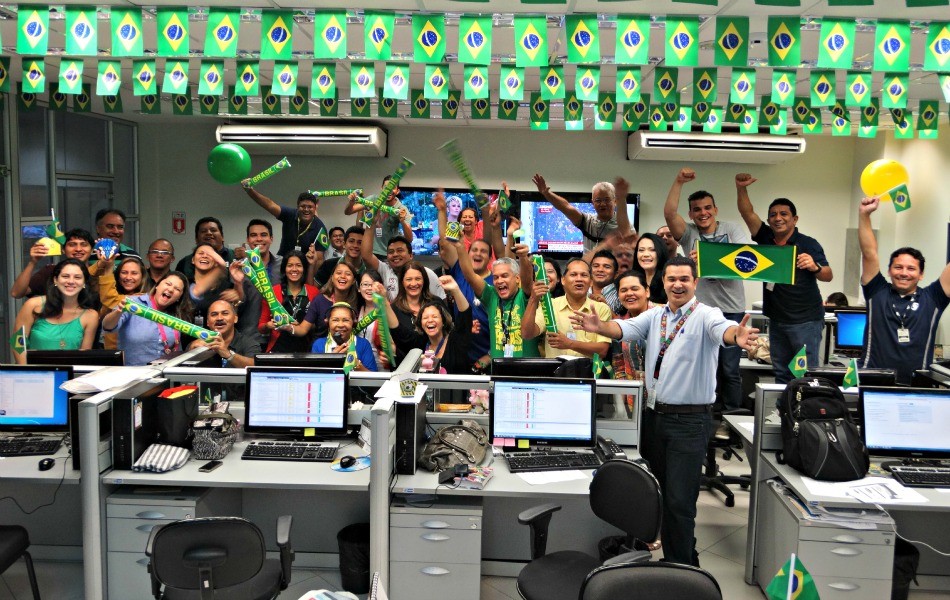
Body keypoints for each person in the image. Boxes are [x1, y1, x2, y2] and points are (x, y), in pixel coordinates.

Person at [570, 256, 759, 566]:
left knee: (679, 503)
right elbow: (625, 327)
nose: (677, 284)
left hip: (690, 421)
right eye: (672, 279)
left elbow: (723, 329)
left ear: (695, 282)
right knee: (657, 494)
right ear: (664, 282)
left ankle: (681, 569)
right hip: (655, 417)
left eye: (684, 279)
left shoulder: (706, 314)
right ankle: (682, 556)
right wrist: (600, 326)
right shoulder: (656, 316)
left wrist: (735, 336)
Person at [664, 167, 750, 418]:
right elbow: (669, 213)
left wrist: (707, 259)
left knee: (729, 369)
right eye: (697, 209)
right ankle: (705, 417)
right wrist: (678, 181)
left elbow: (742, 262)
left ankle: (732, 419)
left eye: (707, 208)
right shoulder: (689, 233)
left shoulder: (732, 229)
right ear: (691, 214)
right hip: (699, 311)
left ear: (715, 209)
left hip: (732, 309)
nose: (703, 213)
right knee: (701, 366)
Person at [736, 173, 832, 383]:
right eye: (773, 215)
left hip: (805, 321)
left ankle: (803, 404)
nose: (778, 218)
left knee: (804, 374)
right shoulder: (765, 237)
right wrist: (741, 187)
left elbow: (828, 275)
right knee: (780, 372)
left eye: (783, 214)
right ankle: (784, 404)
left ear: (794, 219)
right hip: (778, 320)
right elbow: (747, 212)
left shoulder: (808, 243)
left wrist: (814, 266)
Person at [858, 196, 950, 384]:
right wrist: (864, 215)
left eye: (911, 268)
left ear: (921, 274)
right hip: (873, 379)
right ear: (889, 271)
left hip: (918, 384)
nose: (904, 273)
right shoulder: (876, 292)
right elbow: (869, 253)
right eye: (898, 267)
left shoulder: (933, 298)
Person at [522, 257, 611, 359]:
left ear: (591, 282)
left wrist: (569, 344)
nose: (579, 279)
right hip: (556, 369)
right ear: (563, 280)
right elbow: (527, 334)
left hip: (587, 369)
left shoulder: (601, 308)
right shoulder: (550, 305)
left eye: (584, 275)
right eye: (573, 274)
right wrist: (533, 299)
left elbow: (603, 351)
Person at [12, 259, 99, 364]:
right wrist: (26, 370)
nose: (71, 281)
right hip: (33, 371)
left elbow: (84, 357)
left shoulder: (91, 316)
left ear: (84, 282)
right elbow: (17, 343)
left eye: (77, 277)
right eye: (65, 276)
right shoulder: (33, 305)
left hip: (69, 373)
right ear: (55, 280)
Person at [101, 271, 194, 366]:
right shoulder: (133, 303)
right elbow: (107, 327)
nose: (170, 289)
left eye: (177, 289)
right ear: (157, 285)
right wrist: (118, 312)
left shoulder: (177, 314)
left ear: (179, 297)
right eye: (168, 284)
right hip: (133, 372)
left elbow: (176, 348)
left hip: (164, 372)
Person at [388, 276, 473, 375]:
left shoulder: (455, 340)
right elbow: (399, 332)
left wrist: (455, 290)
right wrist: (385, 303)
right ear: (421, 324)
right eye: (425, 318)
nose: (430, 320)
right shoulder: (420, 343)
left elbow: (465, 317)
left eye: (434, 316)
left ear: (443, 321)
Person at [532, 174, 634, 253]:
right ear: (592, 203)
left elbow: (630, 245)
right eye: (598, 200)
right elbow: (565, 207)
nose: (602, 204)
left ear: (615, 201)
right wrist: (547, 193)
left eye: (607, 200)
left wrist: (622, 198)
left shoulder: (624, 225)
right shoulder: (587, 221)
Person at [242, 186, 327, 268]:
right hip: (280, 265)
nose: (306, 209)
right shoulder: (290, 214)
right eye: (303, 206)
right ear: (297, 207)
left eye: (310, 207)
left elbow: (319, 260)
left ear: (315, 208)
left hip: (302, 269)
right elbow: (270, 205)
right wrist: (249, 190)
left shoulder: (320, 229)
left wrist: (313, 277)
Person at [258, 250, 318, 353]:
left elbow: (319, 325)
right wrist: (268, 325)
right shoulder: (273, 292)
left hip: (307, 350)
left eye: (298, 265)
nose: (294, 269)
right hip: (278, 350)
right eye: (290, 265)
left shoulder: (313, 292)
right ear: (284, 269)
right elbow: (261, 327)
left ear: (304, 269)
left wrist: (303, 325)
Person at [12, 228, 97, 299]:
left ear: (92, 250)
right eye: (72, 245)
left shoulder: (99, 271)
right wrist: (32, 262)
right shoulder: (51, 271)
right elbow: (16, 293)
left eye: (84, 245)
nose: (78, 249)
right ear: (63, 250)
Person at [360, 232, 443, 302]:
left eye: (400, 250)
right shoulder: (385, 270)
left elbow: (441, 300)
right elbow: (366, 256)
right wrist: (371, 223)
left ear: (411, 255)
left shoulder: (427, 273)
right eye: (391, 252)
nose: (395, 254)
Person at [345, 175, 414, 260]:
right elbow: (348, 212)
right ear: (382, 188)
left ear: (397, 191)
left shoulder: (401, 209)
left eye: (392, 188)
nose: (389, 190)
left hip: (388, 254)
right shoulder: (374, 199)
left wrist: (402, 221)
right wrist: (351, 202)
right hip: (370, 251)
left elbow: (409, 239)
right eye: (386, 187)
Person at [235, 219, 281, 344]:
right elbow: (236, 304)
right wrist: (238, 283)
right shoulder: (239, 267)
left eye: (264, 235)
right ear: (248, 239)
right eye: (253, 235)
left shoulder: (283, 265)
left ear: (271, 238)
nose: (259, 239)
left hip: (279, 336)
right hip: (249, 337)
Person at [291, 261, 359, 341]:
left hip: (351, 347)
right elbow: (303, 329)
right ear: (332, 278)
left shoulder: (359, 301)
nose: (343, 276)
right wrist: (288, 327)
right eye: (339, 273)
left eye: (348, 274)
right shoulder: (319, 301)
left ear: (353, 280)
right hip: (321, 347)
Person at [97, 254, 148, 349]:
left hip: (131, 353)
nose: (128, 277)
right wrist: (101, 263)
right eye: (124, 272)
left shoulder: (142, 298)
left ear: (142, 276)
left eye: (134, 273)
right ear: (118, 275)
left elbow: (110, 299)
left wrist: (109, 267)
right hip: (108, 352)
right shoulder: (114, 293)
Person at [189, 299, 258, 369]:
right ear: (207, 322)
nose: (219, 318)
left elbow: (256, 367)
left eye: (225, 313)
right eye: (214, 314)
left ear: (235, 319)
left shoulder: (249, 343)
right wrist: (190, 352)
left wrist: (228, 354)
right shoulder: (197, 344)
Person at [187, 245, 245, 325]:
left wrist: (238, 284)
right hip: (186, 332)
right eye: (201, 253)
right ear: (193, 260)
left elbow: (237, 307)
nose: (205, 256)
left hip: (217, 332)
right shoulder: (184, 283)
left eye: (209, 254)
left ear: (216, 262)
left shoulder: (226, 286)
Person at [311, 302, 377, 372]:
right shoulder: (319, 344)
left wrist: (353, 361)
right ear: (328, 322)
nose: (340, 325)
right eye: (335, 320)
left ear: (353, 323)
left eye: (346, 320)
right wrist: (332, 360)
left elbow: (373, 376)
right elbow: (314, 375)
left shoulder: (363, 344)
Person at [353, 270, 391, 371]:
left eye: (373, 285)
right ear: (359, 288)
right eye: (365, 284)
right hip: (358, 363)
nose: (369, 288)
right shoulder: (355, 310)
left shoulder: (387, 310)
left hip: (381, 364)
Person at [634, 233, 670, 304]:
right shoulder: (632, 280)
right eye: (641, 250)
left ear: (661, 252)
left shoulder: (669, 282)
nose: (646, 254)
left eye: (652, 250)